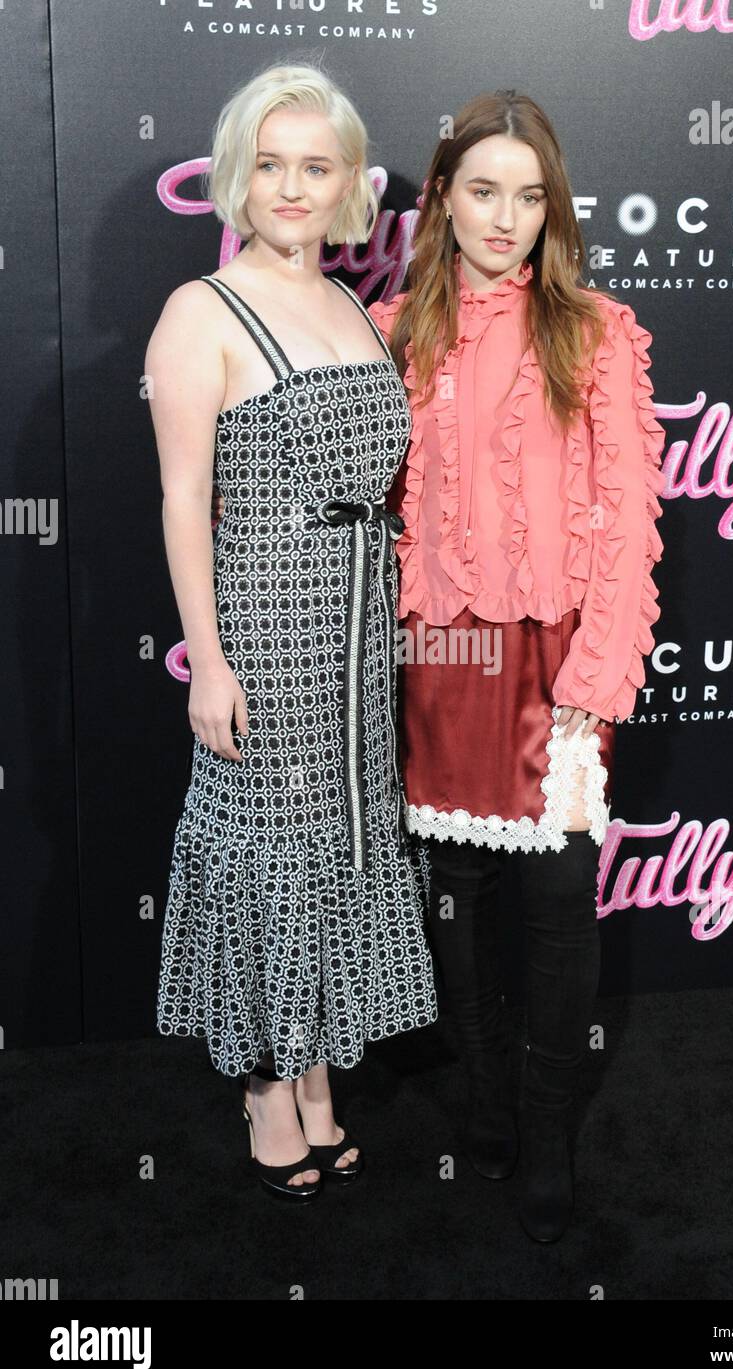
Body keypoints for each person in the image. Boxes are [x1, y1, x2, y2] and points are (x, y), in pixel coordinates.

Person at [365, 91, 667, 1242]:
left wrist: (594, 674)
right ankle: (485, 1108)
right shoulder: (393, 330)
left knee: (552, 914)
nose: (504, 218)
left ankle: (547, 1138)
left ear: (553, 209)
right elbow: (378, 517)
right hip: (440, 657)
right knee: (455, 912)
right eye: (481, 191)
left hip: (553, 664)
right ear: (441, 198)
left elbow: (631, 517)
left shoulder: (594, 330)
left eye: (527, 196)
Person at [146, 62, 438, 1202]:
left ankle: (317, 1069)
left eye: (314, 166)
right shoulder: (199, 312)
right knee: (268, 848)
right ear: (237, 175)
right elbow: (182, 501)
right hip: (263, 622)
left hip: (357, 630)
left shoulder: (354, 309)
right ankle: (268, 1080)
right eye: (269, 164)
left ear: (348, 185)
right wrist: (207, 661)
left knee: (340, 842)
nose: (290, 185)